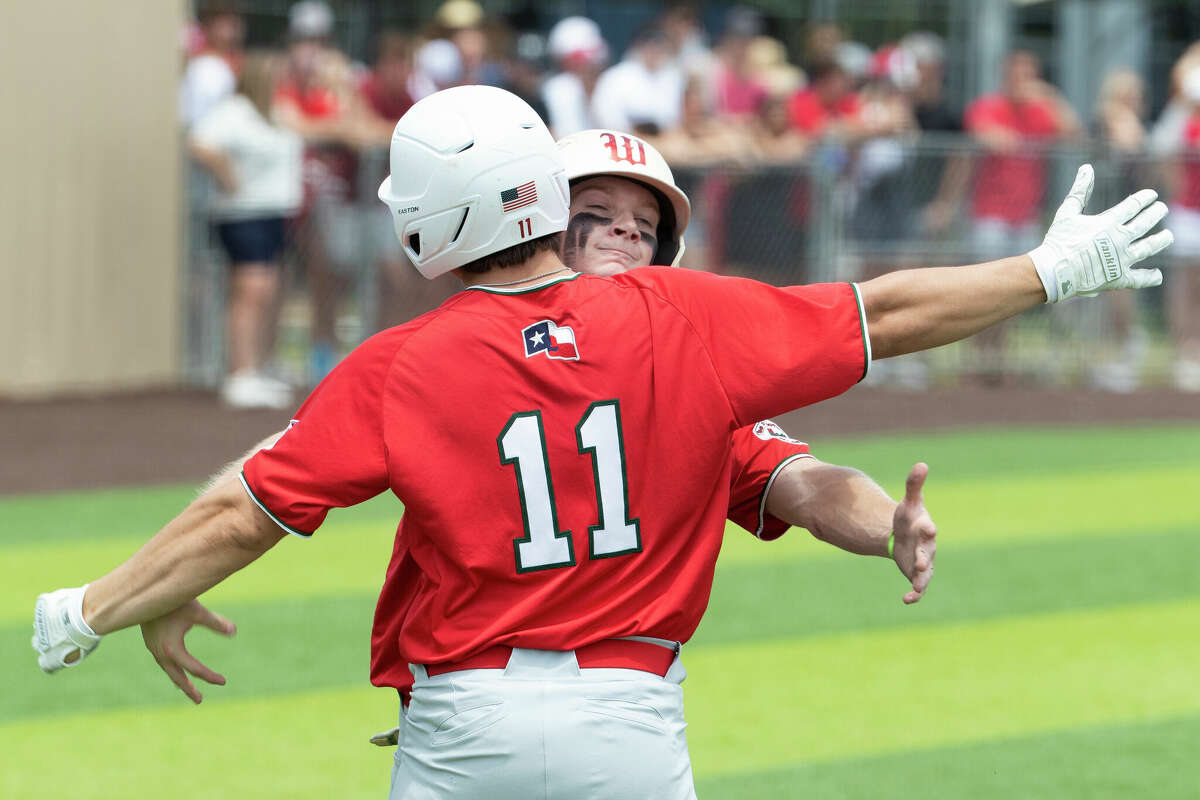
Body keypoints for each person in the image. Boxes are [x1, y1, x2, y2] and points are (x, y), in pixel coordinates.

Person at [34, 87, 1170, 799]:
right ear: (543, 199)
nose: (624, 235)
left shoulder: (401, 363)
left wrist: (94, 608)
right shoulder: (685, 324)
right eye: (601, 216)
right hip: (623, 719)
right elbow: (887, 315)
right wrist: (1049, 270)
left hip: (463, 723)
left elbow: (242, 511)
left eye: (641, 222)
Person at [189, 51, 302, 409]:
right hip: (243, 214)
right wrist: (229, 177)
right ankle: (239, 373)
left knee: (269, 291)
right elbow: (200, 144)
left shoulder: (278, 112)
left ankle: (257, 366)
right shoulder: (234, 112)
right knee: (250, 291)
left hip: (274, 214)